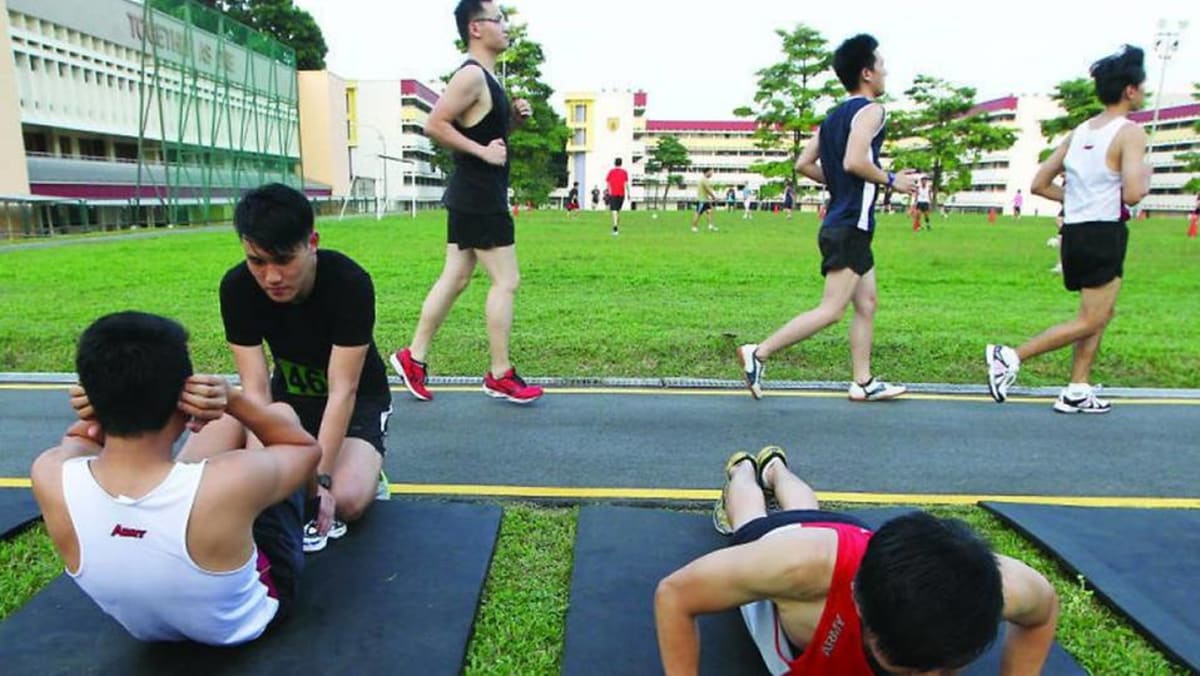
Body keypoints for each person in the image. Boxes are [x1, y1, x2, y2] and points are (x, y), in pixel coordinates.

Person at [33, 312, 321, 645]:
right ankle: (315, 514)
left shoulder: (49, 473)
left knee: (221, 443)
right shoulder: (232, 481)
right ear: (184, 401)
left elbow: (81, 437)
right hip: (244, 623)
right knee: (281, 416)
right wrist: (235, 401)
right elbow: (303, 449)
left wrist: (102, 398)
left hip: (148, 629)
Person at [655, 447, 1060, 675]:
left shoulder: (989, 586)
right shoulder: (794, 569)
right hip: (792, 548)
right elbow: (675, 595)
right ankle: (743, 470)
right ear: (858, 603)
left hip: (849, 539)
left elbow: (1043, 614)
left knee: (807, 506)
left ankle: (777, 468)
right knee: (750, 517)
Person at [184, 183, 393, 553]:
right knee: (185, 477)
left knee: (343, 501)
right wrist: (257, 481)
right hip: (286, 402)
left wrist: (321, 484)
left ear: (312, 242)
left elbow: (344, 390)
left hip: (354, 403)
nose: (271, 276)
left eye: (283, 259)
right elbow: (256, 390)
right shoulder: (237, 287)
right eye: (257, 261)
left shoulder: (349, 283)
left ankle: (367, 470)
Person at [737, 34, 916, 402]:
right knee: (832, 309)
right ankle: (759, 353)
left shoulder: (833, 116)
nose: (886, 72)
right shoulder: (872, 111)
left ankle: (863, 382)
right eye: (881, 66)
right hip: (849, 224)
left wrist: (841, 183)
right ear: (866, 73)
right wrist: (892, 180)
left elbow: (803, 164)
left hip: (848, 223)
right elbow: (854, 161)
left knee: (866, 304)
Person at [391, 0, 544, 406]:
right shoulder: (471, 76)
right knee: (506, 281)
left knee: (456, 276)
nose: (506, 27)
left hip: (472, 194)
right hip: (478, 195)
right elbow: (434, 124)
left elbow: (483, 131)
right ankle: (500, 373)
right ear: (476, 28)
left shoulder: (487, 78)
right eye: (499, 20)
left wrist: (514, 120)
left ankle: (413, 357)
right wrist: (482, 152)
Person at [988, 45, 1151, 414]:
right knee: (1092, 317)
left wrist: (1079, 198)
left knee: (1099, 313)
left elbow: (1039, 184)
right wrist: (1146, 179)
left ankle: (1077, 388)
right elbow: (1133, 192)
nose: (1143, 92)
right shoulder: (1131, 133)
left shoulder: (1079, 132)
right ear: (1129, 90)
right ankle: (1009, 356)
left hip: (1075, 233)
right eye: (1141, 86)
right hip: (1103, 232)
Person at [690, 167, 720, 233]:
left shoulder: (704, 179)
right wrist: (714, 197)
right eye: (711, 172)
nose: (712, 174)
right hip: (702, 200)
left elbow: (707, 190)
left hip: (705, 200)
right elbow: (708, 190)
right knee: (698, 213)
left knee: (709, 212)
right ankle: (694, 227)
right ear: (707, 172)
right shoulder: (704, 180)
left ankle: (711, 226)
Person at [607, 157, 630, 235]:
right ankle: (616, 227)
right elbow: (626, 184)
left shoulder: (611, 172)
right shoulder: (624, 172)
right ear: (621, 163)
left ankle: (615, 228)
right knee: (618, 211)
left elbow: (608, 183)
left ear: (614, 163)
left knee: (614, 211)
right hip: (622, 194)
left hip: (613, 194)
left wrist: (609, 192)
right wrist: (629, 194)